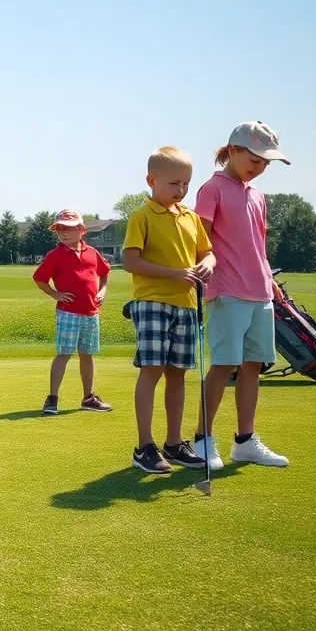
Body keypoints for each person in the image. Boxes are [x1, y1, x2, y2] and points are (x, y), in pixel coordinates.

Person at [193, 122, 291, 470]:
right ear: (232, 151)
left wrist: (269, 279)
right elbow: (200, 240)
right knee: (224, 365)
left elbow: (257, 245)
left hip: (258, 292)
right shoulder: (212, 189)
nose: (260, 167)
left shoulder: (257, 195)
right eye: (255, 158)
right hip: (226, 291)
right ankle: (202, 439)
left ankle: (245, 441)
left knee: (253, 366)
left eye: (266, 162)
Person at [122, 147, 215, 474]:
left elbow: (208, 253)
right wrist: (176, 273)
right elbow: (130, 261)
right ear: (152, 180)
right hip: (151, 302)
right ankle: (144, 446)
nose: (181, 190)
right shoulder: (142, 216)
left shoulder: (190, 217)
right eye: (174, 183)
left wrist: (206, 264)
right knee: (153, 370)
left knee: (178, 374)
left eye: (186, 184)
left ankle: (173, 444)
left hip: (186, 305)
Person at [33, 209, 112, 415]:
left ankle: (88, 398)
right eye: (59, 229)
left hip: (91, 312)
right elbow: (40, 279)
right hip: (68, 313)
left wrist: (102, 291)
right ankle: (52, 399)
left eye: (68, 229)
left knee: (87, 355)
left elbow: (104, 274)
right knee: (64, 353)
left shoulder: (92, 253)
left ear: (81, 230)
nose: (63, 233)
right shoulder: (55, 255)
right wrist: (55, 294)